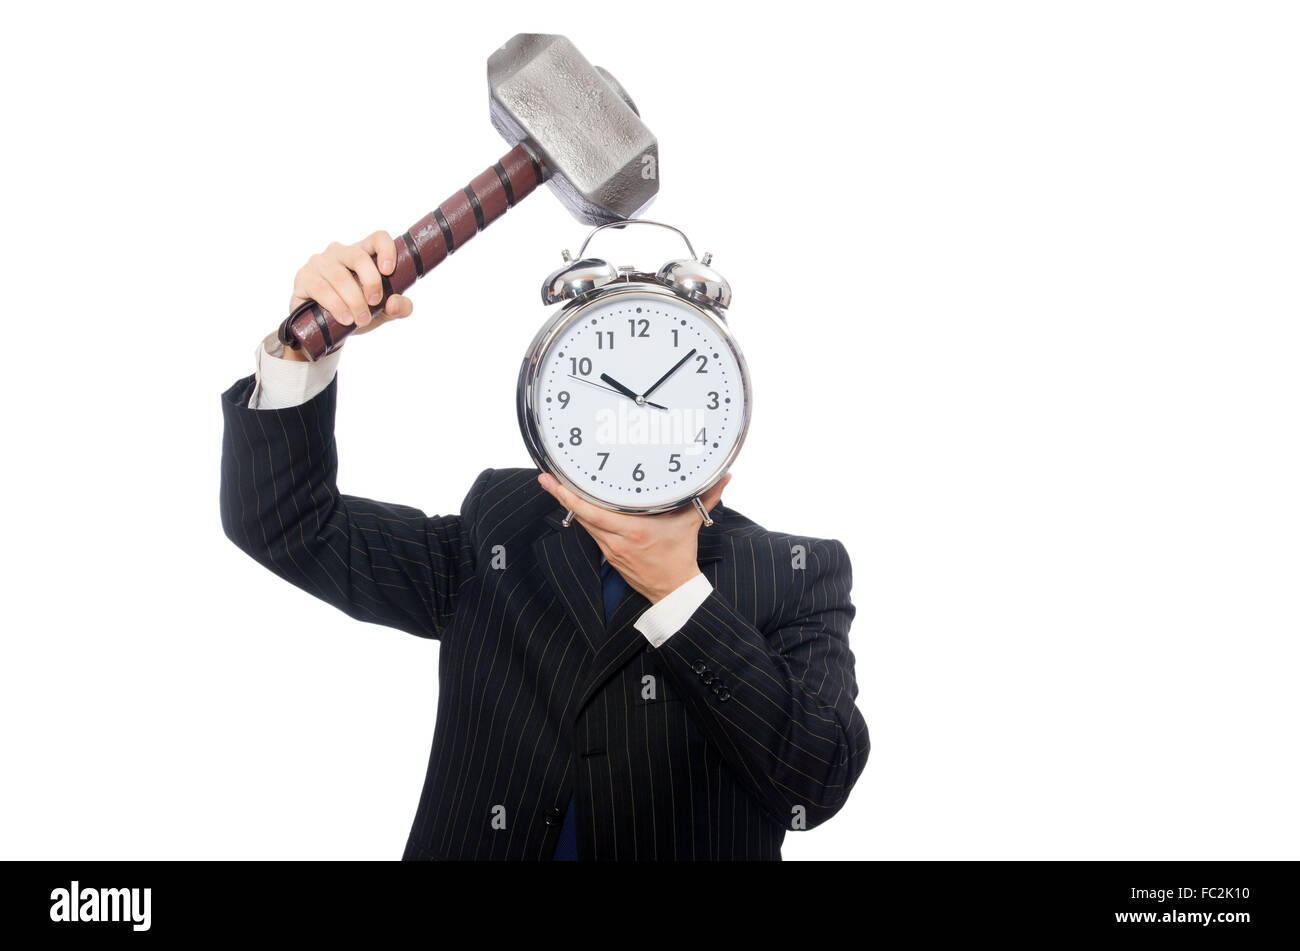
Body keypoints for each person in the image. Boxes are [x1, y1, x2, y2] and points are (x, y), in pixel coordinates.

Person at [219, 230, 871, 860]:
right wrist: (304, 348)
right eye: (607, 390)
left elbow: (814, 783)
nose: (637, 419)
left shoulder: (798, 573)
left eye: (667, 397)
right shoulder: (501, 526)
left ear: (719, 417)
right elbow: (287, 523)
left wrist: (681, 594)